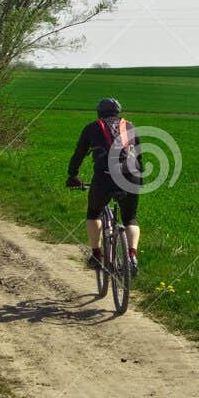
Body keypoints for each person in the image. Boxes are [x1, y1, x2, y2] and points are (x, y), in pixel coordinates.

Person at [66, 97, 142, 275]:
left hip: (105, 177)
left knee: (93, 213)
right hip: (132, 177)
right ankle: (132, 256)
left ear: (99, 112)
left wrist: (72, 176)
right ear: (118, 112)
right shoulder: (131, 127)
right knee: (130, 217)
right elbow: (139, 157)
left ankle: (96, 255)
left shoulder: (92, 128)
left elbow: (79, 154)